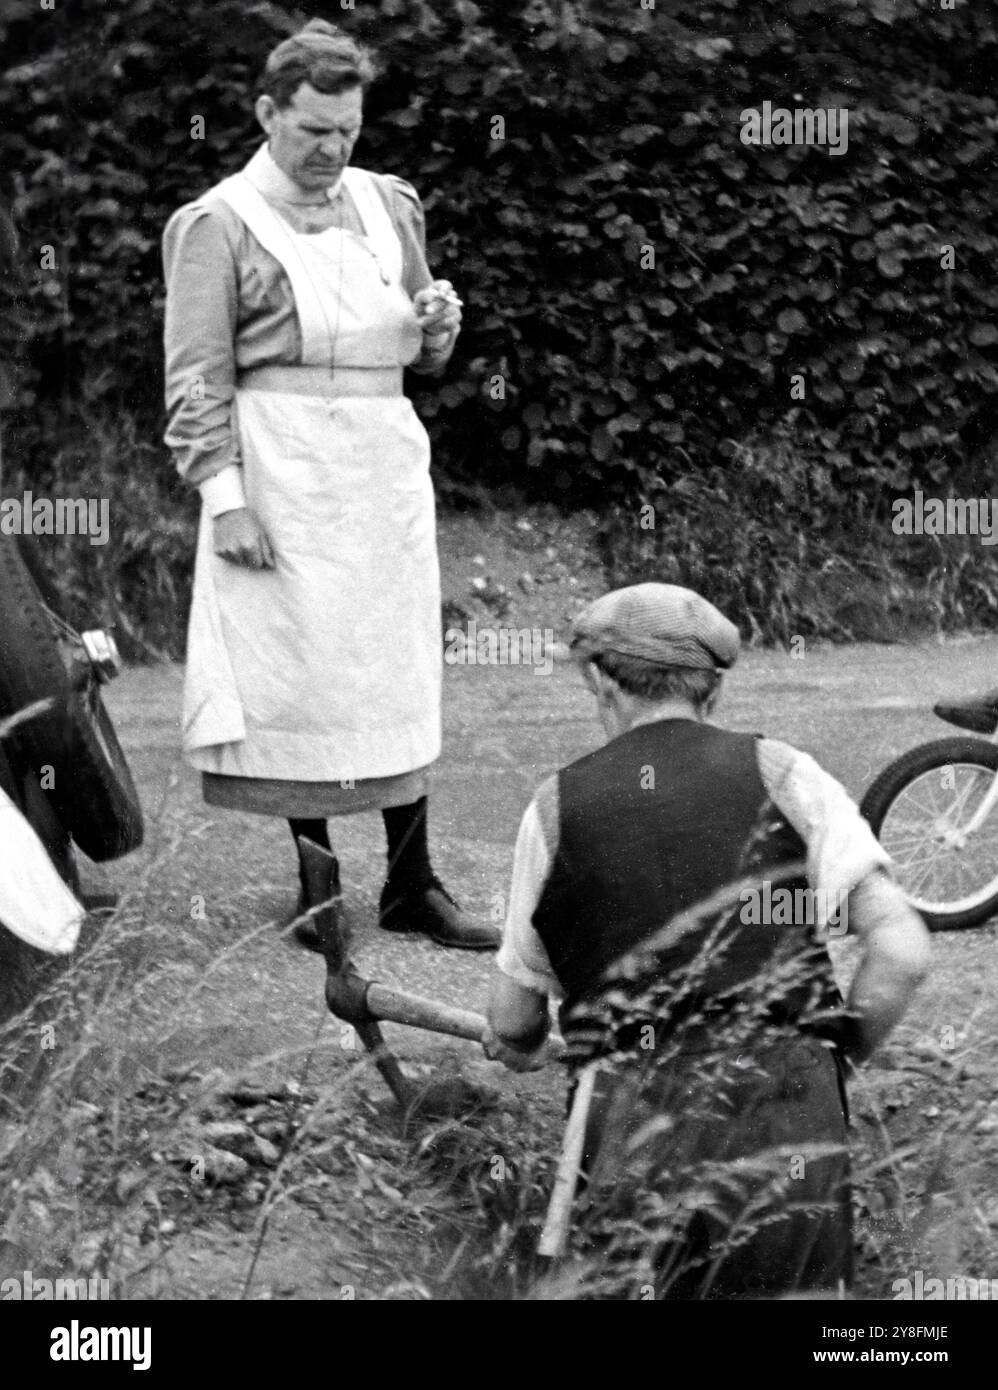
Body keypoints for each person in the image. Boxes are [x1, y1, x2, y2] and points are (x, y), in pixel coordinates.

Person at [482, 582, 931, 1298]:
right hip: (788, 1109)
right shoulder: (786, 773)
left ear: (600, 683)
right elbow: (903, 952)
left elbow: (513, 1019)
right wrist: (832, 1060)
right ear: (712, 691)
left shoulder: (554, 810)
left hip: (633, 1117)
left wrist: (523, 1046)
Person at [162, 20, 497, 951]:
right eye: (313, 131)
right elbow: (196, 377)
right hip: (280, 469)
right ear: (268, 113)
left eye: (346, 130)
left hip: (380, 466)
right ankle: (317, 885)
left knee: (391, 665)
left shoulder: (388, 204)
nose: (332, 150)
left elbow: (423, 350)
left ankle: (412, 883)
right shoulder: (218, 224)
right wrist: (224, 498)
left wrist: (436, 324)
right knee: (296, 671)